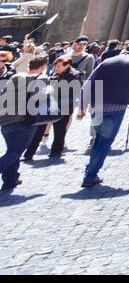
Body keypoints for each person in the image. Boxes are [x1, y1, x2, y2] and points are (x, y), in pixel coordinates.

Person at [78, 41, 129, 188]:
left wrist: (81, 107)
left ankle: (91, 171)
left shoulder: (106, 62)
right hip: (116, 106)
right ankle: (90, 175)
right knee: (104, 142)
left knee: (98, 140)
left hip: (96, 105)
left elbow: (88, 84)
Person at [24, 52, 79, 161]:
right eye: (55, 66)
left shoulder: (75, 76)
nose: (56, 68)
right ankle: (29, 154)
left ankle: (55, 153)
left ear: (67, 65)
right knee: (39, 130)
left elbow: (74, 95)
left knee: (59, 132)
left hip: (63, 108)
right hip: (48, 107)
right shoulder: (55, 73)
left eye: (58, 66)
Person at [0, 49, 42, 191]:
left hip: (5, 121)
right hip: (24, 121)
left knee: (12, 151)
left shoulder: (13, 77)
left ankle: (10, 180)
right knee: (16, 152)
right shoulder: (39, 80)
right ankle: (10, 178)